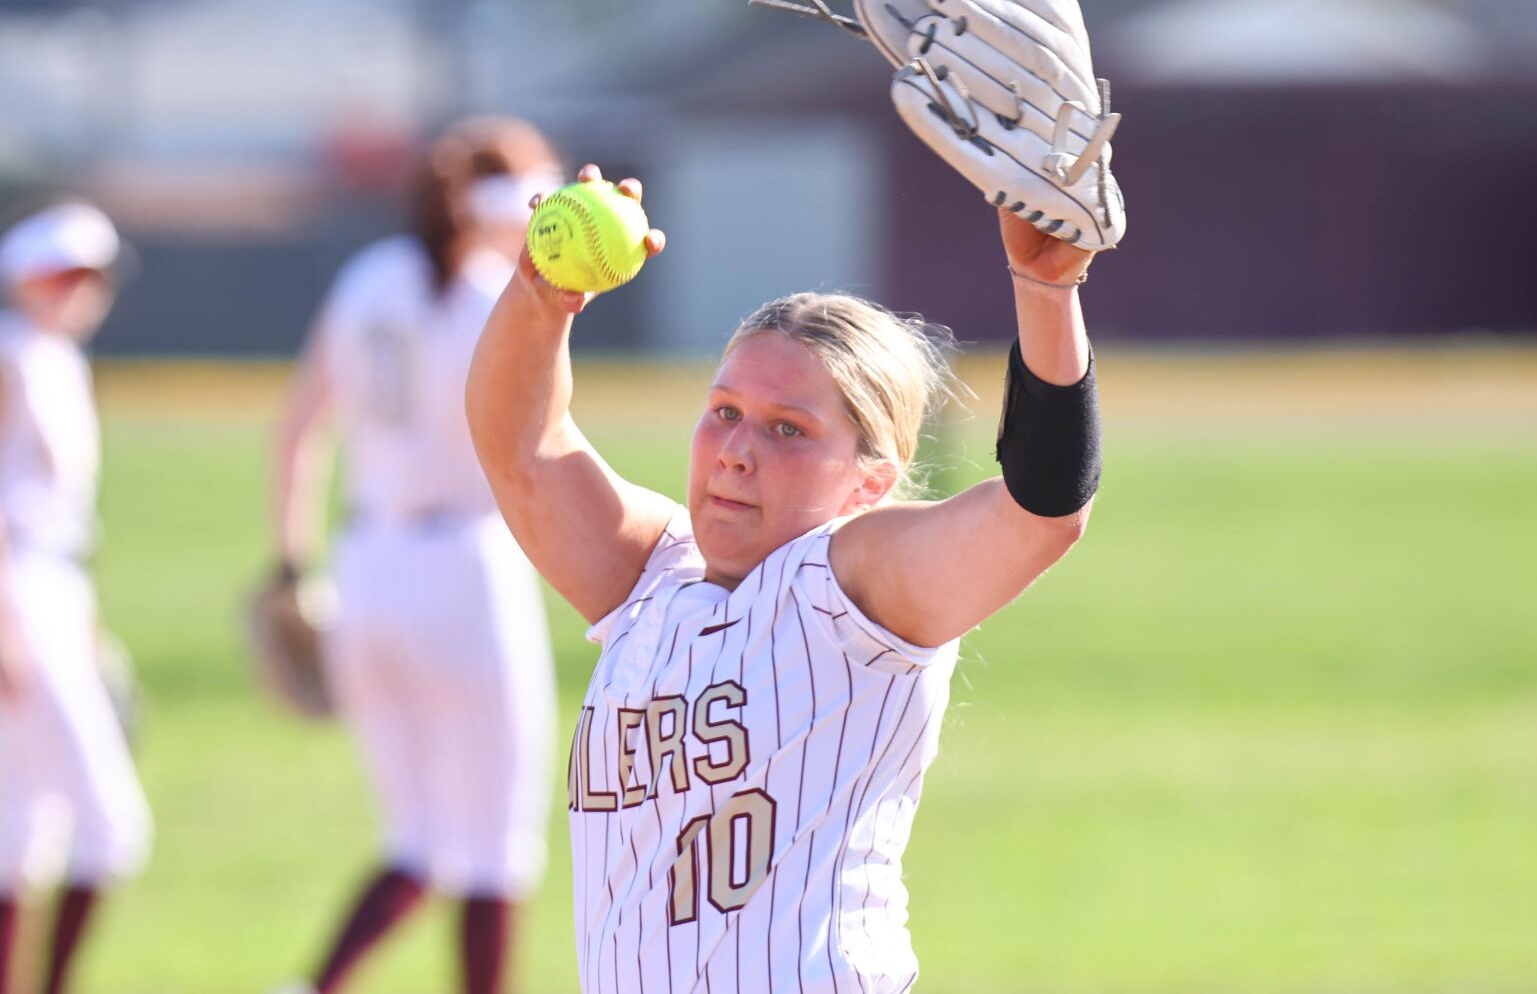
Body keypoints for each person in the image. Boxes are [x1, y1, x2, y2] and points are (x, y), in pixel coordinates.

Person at [466, 164, 1101, 991]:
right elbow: (519, 445)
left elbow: (1040, 512)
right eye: (725, 410)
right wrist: (541, 292)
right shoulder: (650, 578)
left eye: (787, 429)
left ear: (872, 479)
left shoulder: (856, 589)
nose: (735, 449)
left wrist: (1045, 293)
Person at [268, 117, 564, 994]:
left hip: (365, 565)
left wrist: (292, 562)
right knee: (498, 844)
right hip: (464, 567)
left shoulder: (369, 278)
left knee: (416, 840)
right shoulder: (495, 297)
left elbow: (295, 432)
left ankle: (309, 988)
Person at [0, 202, 151, 994]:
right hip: (17, 590)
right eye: (65, 276)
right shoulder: (14, 353)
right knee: (111, 824)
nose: (81, 292)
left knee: (24, 830)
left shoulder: (54, 357)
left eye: (90, 278)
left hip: (55, 583)